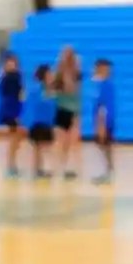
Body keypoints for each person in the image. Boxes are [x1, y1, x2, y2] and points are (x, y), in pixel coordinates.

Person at [52, 46, 83, 180]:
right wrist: (62, 72)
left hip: (74, 110)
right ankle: (61, 167)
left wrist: (69, 72)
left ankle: (71, 167)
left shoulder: (77, 73)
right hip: (61, 108)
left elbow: (72, 89)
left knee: (73, 141)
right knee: (61, 141)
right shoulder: (58, 73)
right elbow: (56, 89)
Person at [22, 65, 56, 179]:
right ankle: (38, 170)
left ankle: (39, 169)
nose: (51, 76)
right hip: (38, 122)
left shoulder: (49, 89)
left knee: (42, 147)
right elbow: (35, 104)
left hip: (47, 122)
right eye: (49, 74)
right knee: (40, 146)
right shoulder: (37, 89)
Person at [0, 54, 24, 179]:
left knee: (15, 139)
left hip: (14, 108)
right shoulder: (8, 78)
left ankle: (12, 165)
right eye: (9, 63)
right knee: (13, 139)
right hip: (10, 110)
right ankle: (10, 166)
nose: (11, 65)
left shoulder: (13, 77)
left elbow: (20, 94)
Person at [91, 59, 116, 185]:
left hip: (105, 122)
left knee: (105, 146)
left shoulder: (106, 85)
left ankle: (109, 173)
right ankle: (108, 172)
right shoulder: (100, 84)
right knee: (104, 147)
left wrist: (101, 125)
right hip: (103, 122)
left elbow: (103, 107)